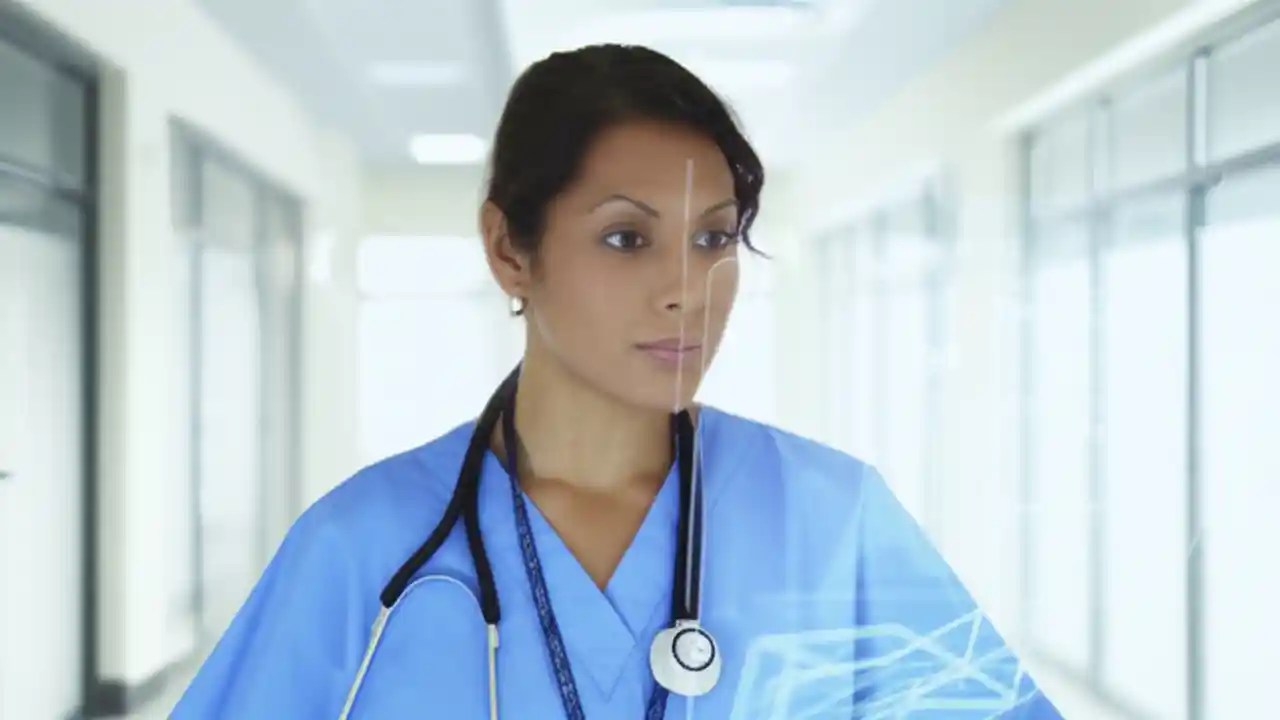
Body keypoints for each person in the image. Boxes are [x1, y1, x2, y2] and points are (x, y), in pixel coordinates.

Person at [173, 44, 1062, 719]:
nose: (687, 289)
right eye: (626, 238)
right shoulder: (364, 546)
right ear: (509, 250)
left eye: (714, 237)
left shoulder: (834, 522)